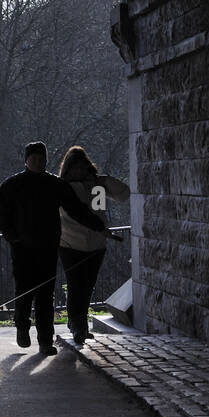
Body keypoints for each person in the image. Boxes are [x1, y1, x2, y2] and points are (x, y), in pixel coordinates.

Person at [0, 141, 109, 354]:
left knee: (46, 294)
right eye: (34, 157)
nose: (38, 161)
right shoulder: (12, 186)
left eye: (41, 158)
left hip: (47, 247)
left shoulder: (55, 185)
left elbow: (76, 210)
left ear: (45, 160)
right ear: (26, 159)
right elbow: (1, 216)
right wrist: (14, 238)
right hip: (23, 249)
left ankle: (45, 341)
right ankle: (22, 327)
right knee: (24, 291)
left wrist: (98, 227)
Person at [58, 145, 129, 345]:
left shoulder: (97, 186)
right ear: (68, 169)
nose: (79, 172)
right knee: (76, 286)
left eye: (83, 167)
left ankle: (79, 325)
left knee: (87, 286)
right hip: (70, 244)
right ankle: (77, 325)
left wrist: (105, 180)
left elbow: (124, 194)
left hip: (96, 244)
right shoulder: (64, 188)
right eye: (75, 168)